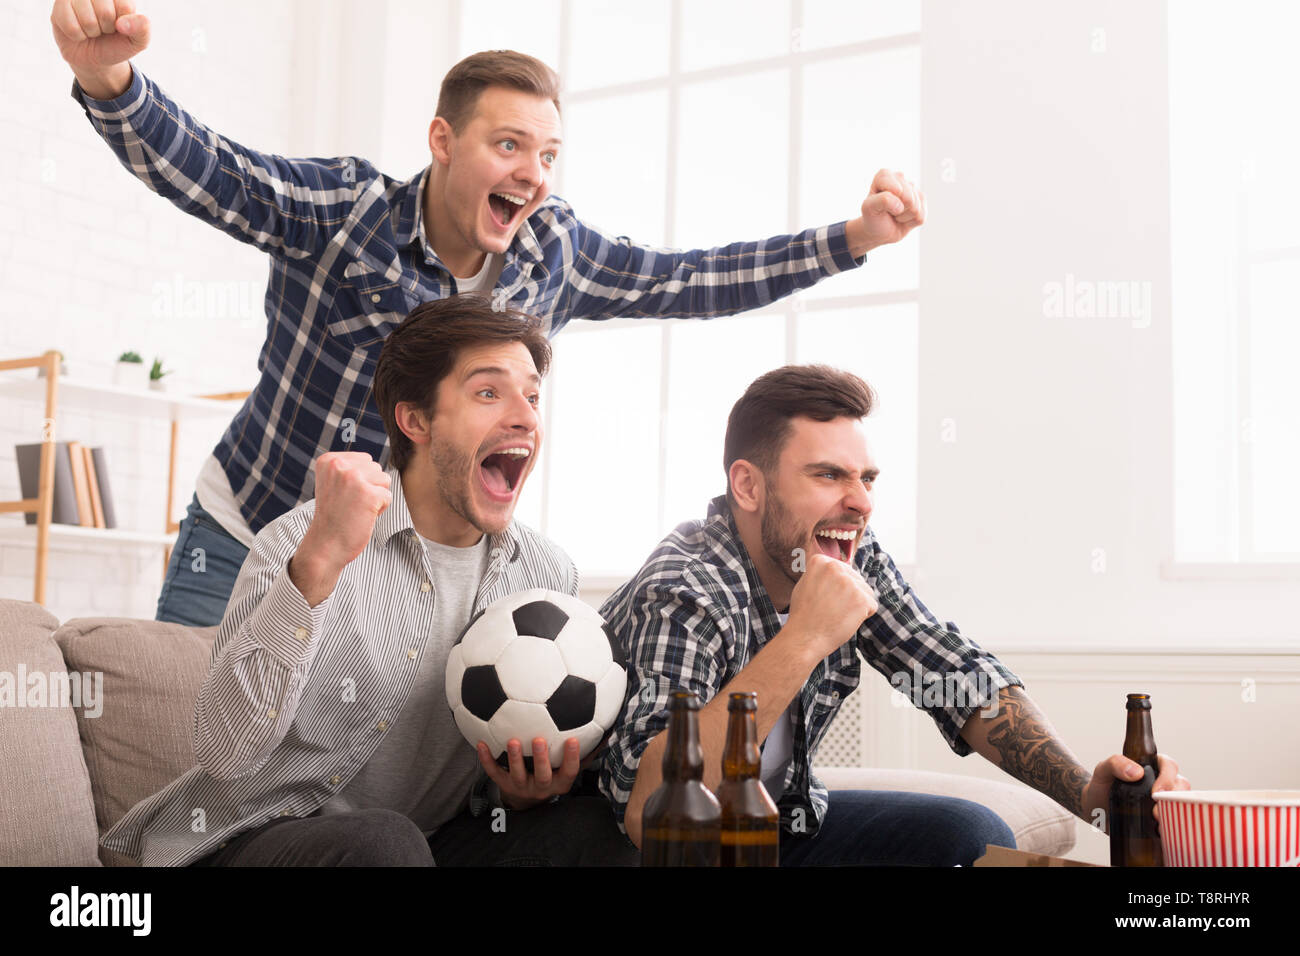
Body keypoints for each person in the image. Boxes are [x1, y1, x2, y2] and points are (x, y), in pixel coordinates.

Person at [51, 1, 927, 628]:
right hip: (247, 527)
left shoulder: (553, 251)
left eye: (547, 154)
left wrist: (849, 239)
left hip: (385, 572)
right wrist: (111, 80)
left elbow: (687, 278)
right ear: (443, 143)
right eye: (509, 146)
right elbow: (219, 174)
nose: (534, 173)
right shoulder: (347, 211)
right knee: (179, 742)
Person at [100, 295, 638, 866]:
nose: (526, 416)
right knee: (382, 842)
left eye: (531, 396)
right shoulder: (300, 540)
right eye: (488, 392)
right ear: (416, 420)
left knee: (596, 830)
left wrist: (516, 795)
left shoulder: (545, 575)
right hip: (249, 841)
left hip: (422, 848)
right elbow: (223, 749)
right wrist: (317, 567)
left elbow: (488, 795)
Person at [597, 364, 1192, 865]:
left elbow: (951, 674)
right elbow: (651, 814)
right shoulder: (683, 586)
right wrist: (803, 640)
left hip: (779, 823)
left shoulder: (846, 551)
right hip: (667, 851)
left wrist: (1086, 791)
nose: (859, 502)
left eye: (866, 478)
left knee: (968, 838)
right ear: (748, 487)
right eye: (828, 475)